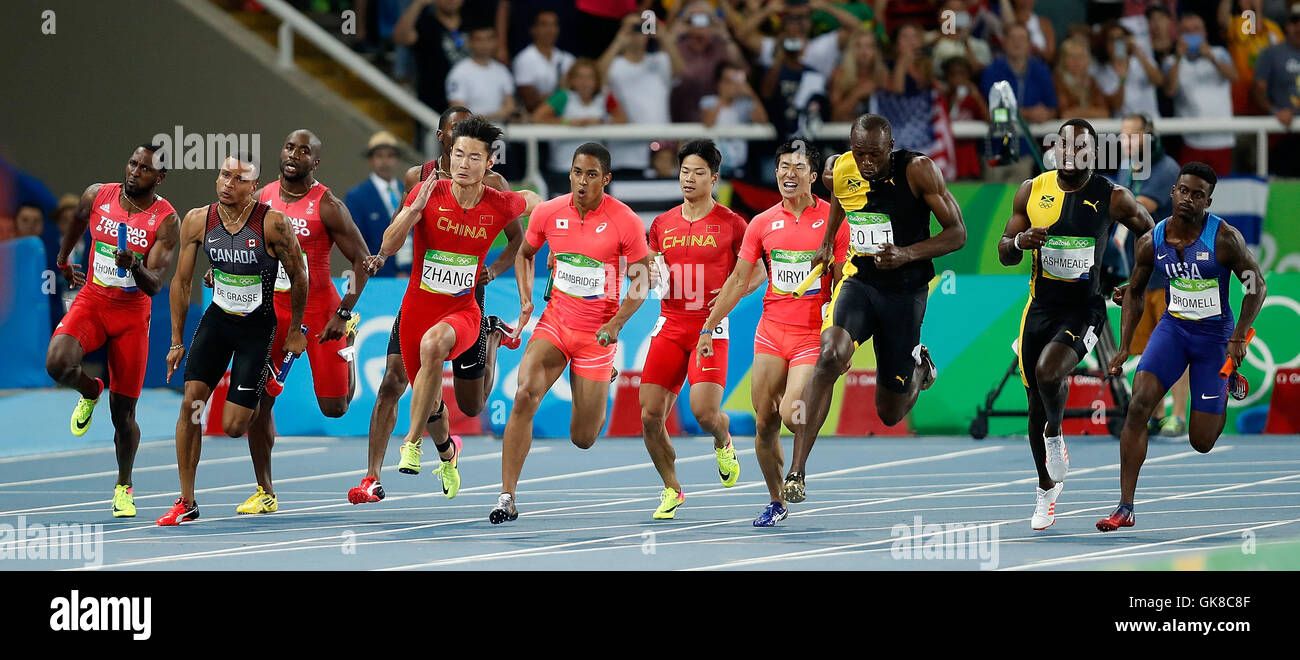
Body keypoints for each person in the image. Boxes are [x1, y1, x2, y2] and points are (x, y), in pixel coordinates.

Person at [348, 107, 537, 505]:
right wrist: (416, 208)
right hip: (418, 305)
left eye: (473, 155)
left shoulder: (497, 193)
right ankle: (422, 462)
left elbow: (531, 214)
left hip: (465, 305)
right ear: (443, 142)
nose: (462, 159)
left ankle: (414, 439)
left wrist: (495, 268)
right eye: (457, 149)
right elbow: (387, 244)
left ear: (488, 160)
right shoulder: (420, 182)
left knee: (470, 403)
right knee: (413, 391)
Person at [784, 113, 967, 503]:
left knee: (889, 413)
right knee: (830, 354)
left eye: (874, 155)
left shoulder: (918, 170)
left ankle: (920, 369)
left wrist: (906, 254)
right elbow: (840, 197)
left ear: (891, 146)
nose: (865, 163)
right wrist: (828, 239)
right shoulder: (840, 168)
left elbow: (958, 234)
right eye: (859, 153)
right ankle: (797, 471)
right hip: (861, 281)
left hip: (905, 293)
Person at [997, 118, 1154, 532]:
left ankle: (1055, 431)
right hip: (1039, 309)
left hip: (1085, 308)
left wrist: (1133, 284)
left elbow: (1148, 233)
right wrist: (1019, 242)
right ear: (1055, 149)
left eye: (1080, 149)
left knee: (1051, 372)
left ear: (1092, 153)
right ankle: (1046, 490)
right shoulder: (1031, 191)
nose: (1071, 155)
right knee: (1034, 403)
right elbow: (1003, 252)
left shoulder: (1111, 196)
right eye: (1064, 147)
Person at [1099, 162, 1266, 531]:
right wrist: (1125, 347)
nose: (1188, 199)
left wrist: (1238, 335)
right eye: (1183, 191)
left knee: (1202, 442)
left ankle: (1225, 379)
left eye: (1197, 195)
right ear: (1173, 192)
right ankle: (1125, 507)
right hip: (1173, 330)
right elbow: (1137, 291)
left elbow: (1257, 285)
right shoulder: (1151, 240)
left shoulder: (1224, 239)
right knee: (1139, 404)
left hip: (1214, 339)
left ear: (1208, 201)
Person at [491, 142, 652, 524]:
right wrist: (527, 299)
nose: (582, 182)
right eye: (577, 173)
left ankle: (603, 373)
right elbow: (525, 252)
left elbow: (642, 281)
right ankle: (506, 496)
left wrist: (615, 325)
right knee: (525, 394)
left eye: (592, 175)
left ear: (606, 180)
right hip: (556, 323)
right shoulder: (548, 212)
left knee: (583, 438)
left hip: (598, 336)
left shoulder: (625, 221)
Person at [698, 139, 849, 527]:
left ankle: (798, 469)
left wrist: (843, 335)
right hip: (770, 332)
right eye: (783, 167)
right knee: (764, 421)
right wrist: (708, 325)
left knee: (790, 412)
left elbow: (847, 281)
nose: (788, 173)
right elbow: (737, 280)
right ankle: (776, 500)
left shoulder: (834, 221)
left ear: (814, 177)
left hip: (810, 334)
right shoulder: (762, 223)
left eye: (798, 167)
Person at [158, 154, 308, 526]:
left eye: (239, 179)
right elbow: (181, 281)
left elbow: (300, 275)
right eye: (224, 175)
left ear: (253, 187)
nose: (228, 183)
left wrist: (294, 331)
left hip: (258, 329)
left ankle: (257, 389)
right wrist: (176, 340)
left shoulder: (273, 224)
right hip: (217, 323)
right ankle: (187, 500)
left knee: (234, 426)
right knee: (192, 404)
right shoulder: (198, 220)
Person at [46, 144, 179, 518]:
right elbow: (76, 220)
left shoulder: (166, 220)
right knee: (57, 364)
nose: (135, 171)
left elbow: (154, 285)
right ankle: (90, 390)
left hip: (131, 316)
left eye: (145, 167)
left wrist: (134, 266)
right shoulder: (98, 194)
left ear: (160, 177)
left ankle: (124, 485)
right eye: (132, 163)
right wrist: (63, 258)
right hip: (92, 300)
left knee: (123, 416)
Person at [641, 139, 757, 520]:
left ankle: (723, 441)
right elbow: (651, 271)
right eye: (684, 171)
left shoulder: (732, 223)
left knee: (705, 414)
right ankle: (672, 488)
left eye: (698, 172)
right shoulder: (661, 224)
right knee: (649, 415)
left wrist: (731, 295)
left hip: (711, 326)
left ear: (714, 178)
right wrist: (647, 275)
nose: (688, 179)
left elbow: (755, 269)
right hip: (670, 323)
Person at [598, 12, 684, 174]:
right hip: (625, 153)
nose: (636, 33)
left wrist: (664, 37)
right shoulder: (615, 65)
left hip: (661, 153)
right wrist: (619, 42)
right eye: (631, 28)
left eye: (640, 27)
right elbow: (597, 79)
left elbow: (680, 71)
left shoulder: (660, 60)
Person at [1162, 13, 1238, 173]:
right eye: (1186, 31)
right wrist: (1178, 57)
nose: (1192, 35)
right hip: (1191, 141)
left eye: (1196, 30)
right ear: (1179, 35)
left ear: (1205, 33)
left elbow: (1234, 77)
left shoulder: (1219, 53)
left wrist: (1210, 56)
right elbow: (1170, 90)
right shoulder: (1171, 61)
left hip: (1222, 138)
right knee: (1190, 192)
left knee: (1223, 191)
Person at [532, 59, 629, 175]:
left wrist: (601, 121)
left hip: (595, 169)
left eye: (589, 78)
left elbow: (622, 119)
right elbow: (537, 117)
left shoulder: (603, 96)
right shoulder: (564, 96)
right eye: (580, 77)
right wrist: (568, 122)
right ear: (572, 80)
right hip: (564, 166)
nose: (585, 82)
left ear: (596, 80)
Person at [669, 1, 747, 123]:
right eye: (694, 19)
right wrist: (675, 33)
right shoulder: (677, 48)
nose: (700, 24)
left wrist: (724, 34)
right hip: (682, 124)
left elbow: (742, 69)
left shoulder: (721, 47)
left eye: (704, 18)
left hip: (716, 124)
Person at [346, 131, 407, 278]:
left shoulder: (408, 191)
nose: (385, 161)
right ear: (370, 160)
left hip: (412, 276)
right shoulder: (357, 196)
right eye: (379, 156)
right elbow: (357, 245)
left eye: (390, 155)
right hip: (377, 278)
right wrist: (391, 273)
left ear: (397, 160)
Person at [395, 0, 468, 116]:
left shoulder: (472, 23)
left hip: (470, 105)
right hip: (431, 106)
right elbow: (400, 37)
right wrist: (418, 4)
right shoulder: (426, 24)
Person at [1252, 5, 1300, 176]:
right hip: (1281, 135)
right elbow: (1258, 90)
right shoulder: (1271, 53)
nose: (1298, 27)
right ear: (1287, 25)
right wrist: (1275, 111)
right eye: (1294, 22)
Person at [701, 62, 769, 179]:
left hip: (740, 166)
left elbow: (763, 120)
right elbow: (708, 123)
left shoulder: (744, 104)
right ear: (719, 82)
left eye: (734, 81)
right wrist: (723, 98)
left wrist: (750, 92)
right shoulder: (709, 101)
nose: (732, 85)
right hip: (716, 167)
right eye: (728, 81)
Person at [446, 24, 518, 122]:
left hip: (499, 132)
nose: (484, 44)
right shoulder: (459, 72)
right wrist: (491, 118)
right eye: (479, 40)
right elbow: (458, 112)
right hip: (470, 132)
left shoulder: (502, 70)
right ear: (469, 43)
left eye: (489, 39)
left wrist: (486, 118)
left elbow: (510, 106)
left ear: (495, 42)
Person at [511, 9, 576, 113]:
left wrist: (545, 96)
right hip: (535, 119)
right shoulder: (524, 59)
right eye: (544, 25)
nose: (549, 30)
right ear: (533, 29)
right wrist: (564, 94)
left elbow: (580, 94)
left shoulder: (568, 59)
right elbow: (530, 101)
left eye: (554, 25)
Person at [830, 29, 887, 121]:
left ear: (875, 51)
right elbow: (835, 114)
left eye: (869, 46)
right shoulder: (840, 74)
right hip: (846, 129)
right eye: (858, 46)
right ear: (851, 50)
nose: (864, 52)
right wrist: (857, 94)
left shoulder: (882, 74)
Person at [1055, 37, 1113, 119]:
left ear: (1087, 59)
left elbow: (1104, 113)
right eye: (1071, 56)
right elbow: (1065, 114)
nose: (1076, 61)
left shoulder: (1091, 81)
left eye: (1080, 56)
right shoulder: (1057, 81)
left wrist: (1079, 112)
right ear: (1063, 60)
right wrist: (1091, 112)